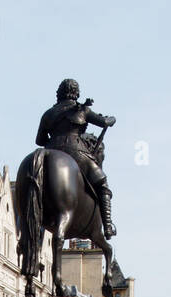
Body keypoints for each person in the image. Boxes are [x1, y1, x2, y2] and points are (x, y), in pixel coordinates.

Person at [36, 79, 117, 237]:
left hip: (50, 150)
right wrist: (112, 119)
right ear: (76, 93)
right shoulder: (82, 110)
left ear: (59, 93)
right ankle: (107, 227)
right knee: (102, 184)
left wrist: (53, 145)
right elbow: (105, 122)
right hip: (76, 152)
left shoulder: (48, 113)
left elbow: (39, 140)